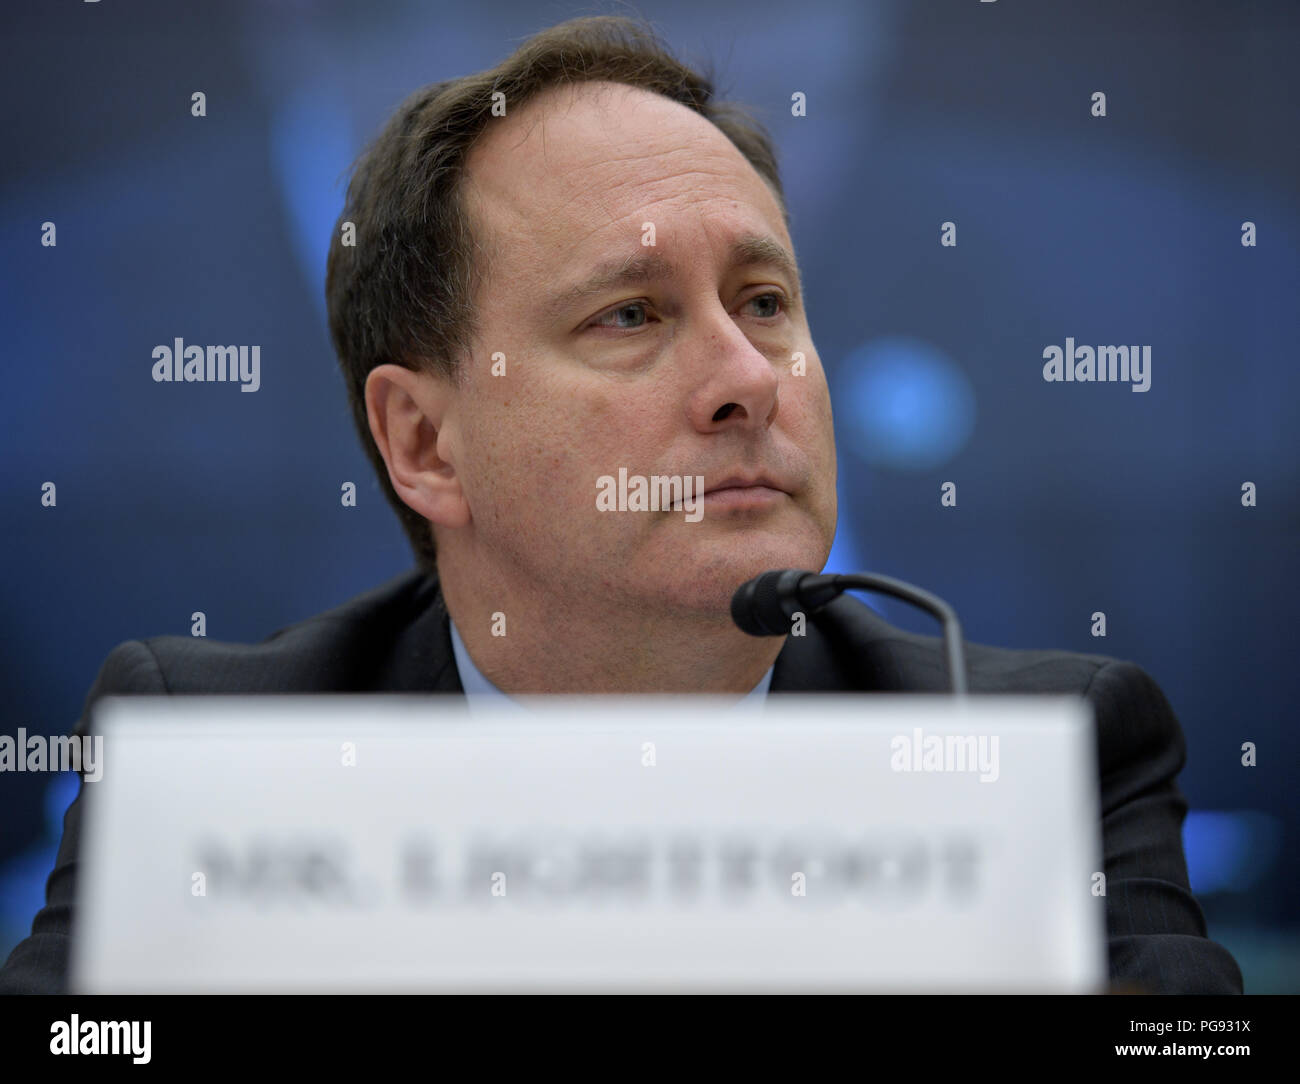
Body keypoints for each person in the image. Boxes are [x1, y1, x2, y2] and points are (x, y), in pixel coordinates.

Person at [0, 15, 1242, 994]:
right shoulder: (211, 761)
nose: (748, 381)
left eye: (764, 302)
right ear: (425, 442)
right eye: (631, 316)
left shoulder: (1038, 752)